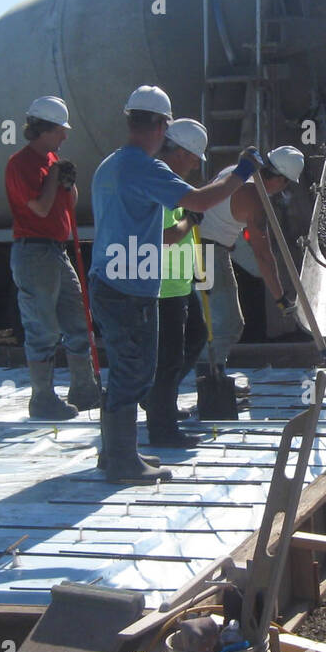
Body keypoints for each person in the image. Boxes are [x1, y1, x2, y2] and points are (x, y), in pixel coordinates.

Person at [89, 86, 262, 483]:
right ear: (162, 126)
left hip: (108, 280)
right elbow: (200, 202)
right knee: (134, 373)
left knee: (124, 371)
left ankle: (117, 452)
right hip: (130, 286)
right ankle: (120, 459)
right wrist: (242, 172)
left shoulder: (110, 165)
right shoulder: (145, 168)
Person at [4, 95, 100, 420]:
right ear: (45, 129)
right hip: (34, 251)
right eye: (61, 129)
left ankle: (83, 388)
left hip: (55, 250)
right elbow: (41, 207)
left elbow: (66, 203)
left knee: (77, 320)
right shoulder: (21, 165)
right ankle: (42, 398)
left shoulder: (50, 159)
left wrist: (67, 183)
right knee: (43, 327)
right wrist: (53, 176)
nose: (65, 136)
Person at [196, 145, 306, 386]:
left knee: (210, 322)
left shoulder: (234, 172)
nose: (283, 189)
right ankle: (208, 380)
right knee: (227, 323)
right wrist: (281, 299)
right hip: (205, 253)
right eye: (286, 184)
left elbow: (218, 211)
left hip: (198, 247)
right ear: (278, 179)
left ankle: (210, 373)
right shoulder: (254, 199)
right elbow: (264, 256)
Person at [146, 120, 211, 448]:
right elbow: (167, 236)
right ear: (182, 152)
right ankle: (162, 426)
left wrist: (201, 275)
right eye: (194, 157)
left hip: (181, 280)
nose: (196, 164)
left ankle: (159, 399)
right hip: (164, 285)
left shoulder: (171, 181)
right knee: (169, 357)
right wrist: (190, 218)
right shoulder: (161, 182)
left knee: (196, 337)